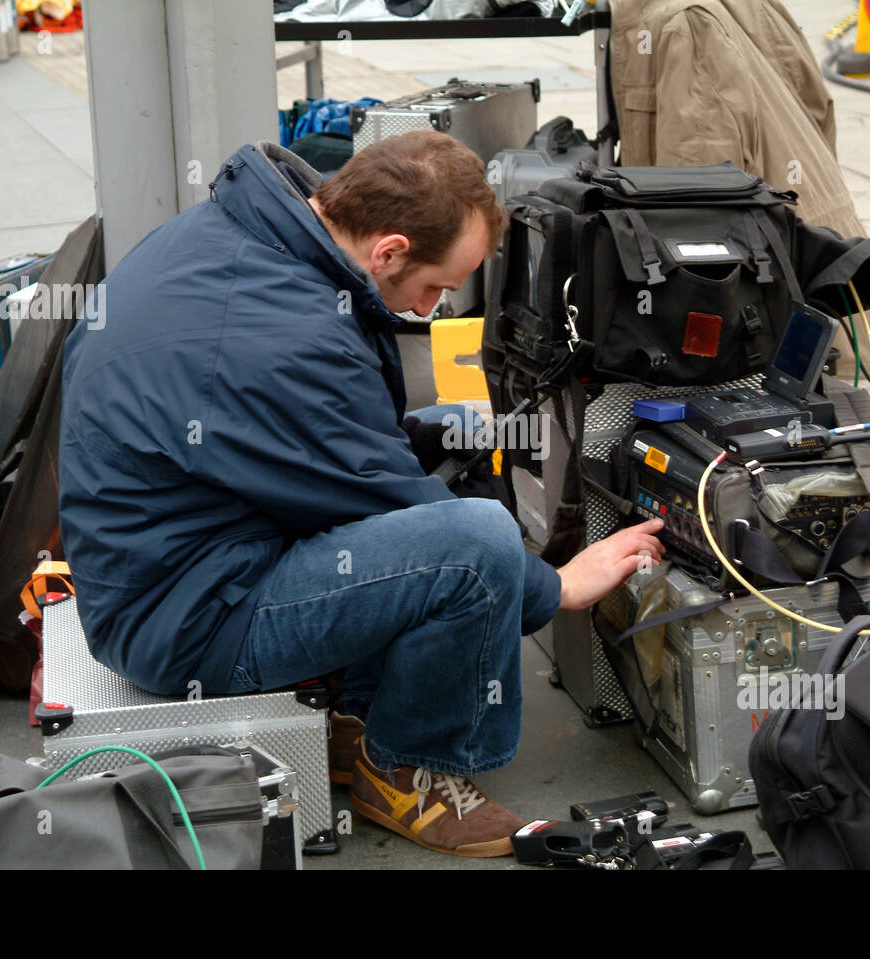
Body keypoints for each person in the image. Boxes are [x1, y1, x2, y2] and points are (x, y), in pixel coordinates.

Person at [58, 131, 665, 858]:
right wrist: (555, 584)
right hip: (186, 620)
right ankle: (413, 767)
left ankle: (359, 719)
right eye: (437, 287)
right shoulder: (292, 338)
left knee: (456, 440)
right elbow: (392, 507)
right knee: (478, 546)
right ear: (389, 251)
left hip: (179, 558)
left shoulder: (248, 234)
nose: (436, 309)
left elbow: (337, 454)